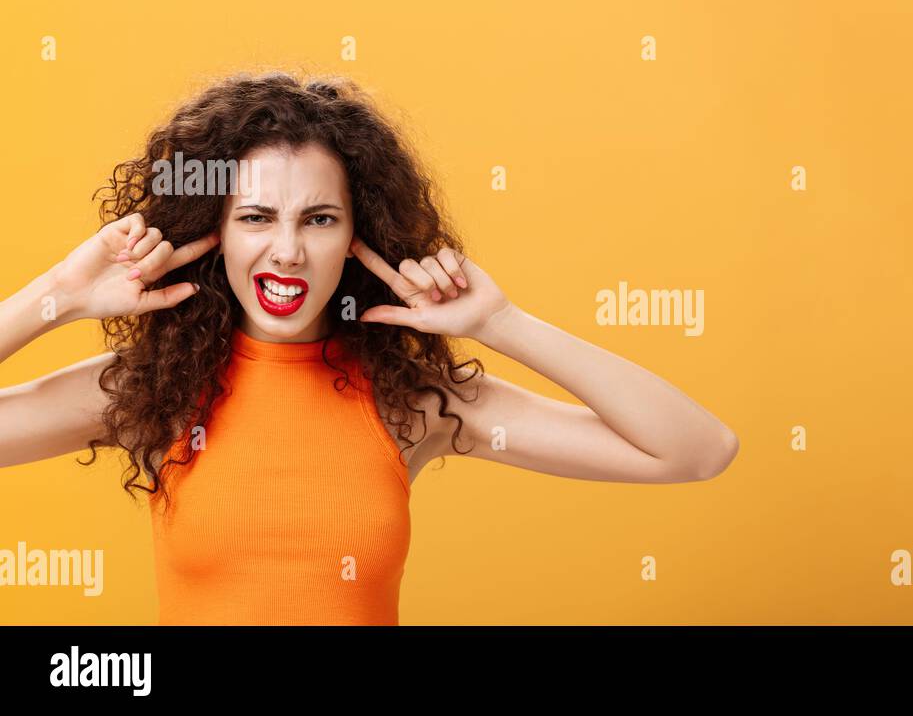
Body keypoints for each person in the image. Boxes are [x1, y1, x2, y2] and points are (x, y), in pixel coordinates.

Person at [0, 72, 738, 625]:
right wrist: (57, 295)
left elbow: (696, 449)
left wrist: (501, 323)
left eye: (318, 219)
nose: (287, 251)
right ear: (214, 231)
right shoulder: (147, 393)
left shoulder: (414, 403)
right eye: (256, 216)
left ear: (357, 239)